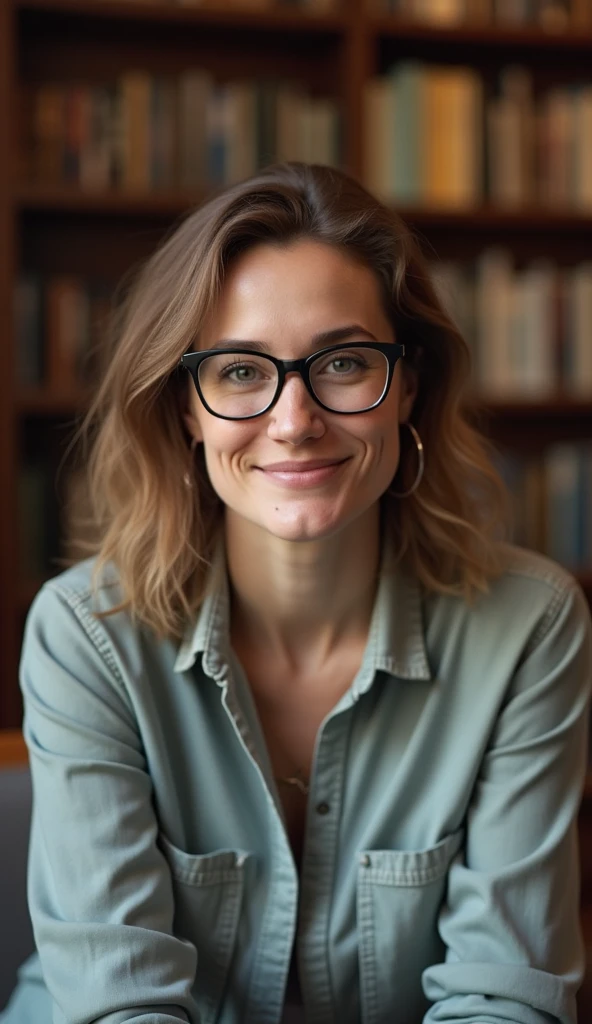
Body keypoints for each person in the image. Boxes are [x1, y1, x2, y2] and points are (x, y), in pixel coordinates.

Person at [2, 161, 591, 1024]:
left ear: (409, 386)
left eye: (344, 362)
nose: (294, 419)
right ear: (186, 408)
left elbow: (502, 998)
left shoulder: (529, 629)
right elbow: (120, 1006)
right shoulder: (86, 635)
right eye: (240, 370)